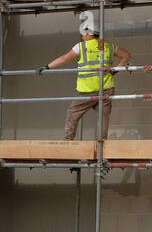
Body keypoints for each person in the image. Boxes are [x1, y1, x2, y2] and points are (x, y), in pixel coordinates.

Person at [41, 12, 132, 141]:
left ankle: (68, 142)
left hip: (86, 91)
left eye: (83, 35)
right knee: (103, 118)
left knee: (73, 114)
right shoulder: (108, 46)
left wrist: (47, 67)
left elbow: (64, 58)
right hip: (106, 88)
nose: (82, 37)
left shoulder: (81, 47)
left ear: (88, 33)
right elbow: (126, 55)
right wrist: (116, 69)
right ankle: (101, 145)